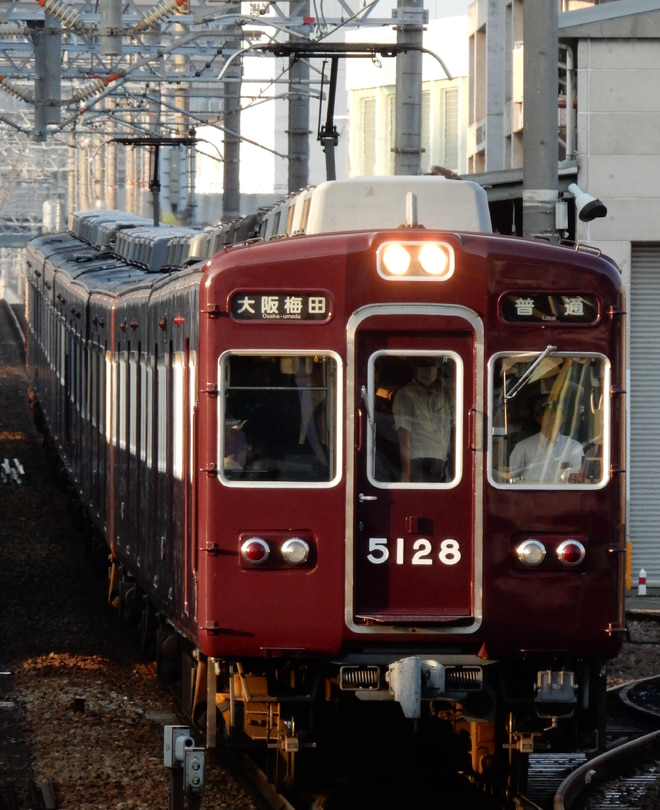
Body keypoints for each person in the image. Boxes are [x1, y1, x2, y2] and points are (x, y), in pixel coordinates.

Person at [392, 358, 453, 483]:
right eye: (424, 364)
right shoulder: (405, 394)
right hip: (419, 462)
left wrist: (456, 469)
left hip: (443, 460)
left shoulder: (442, 394)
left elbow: (453, 429)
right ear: (413, 366)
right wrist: (406, 475)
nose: (429, 368)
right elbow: (404, 434)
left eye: (432, 363)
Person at [509, 396, 584, 483]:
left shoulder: (574, 447)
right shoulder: (523, 447)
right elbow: (511, 478)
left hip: (564, 495)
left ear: (562, 418)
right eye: (549, 414)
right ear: (538, 418)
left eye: (557, 413)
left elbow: (580, 477)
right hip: (531, 495)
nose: (553, 418)